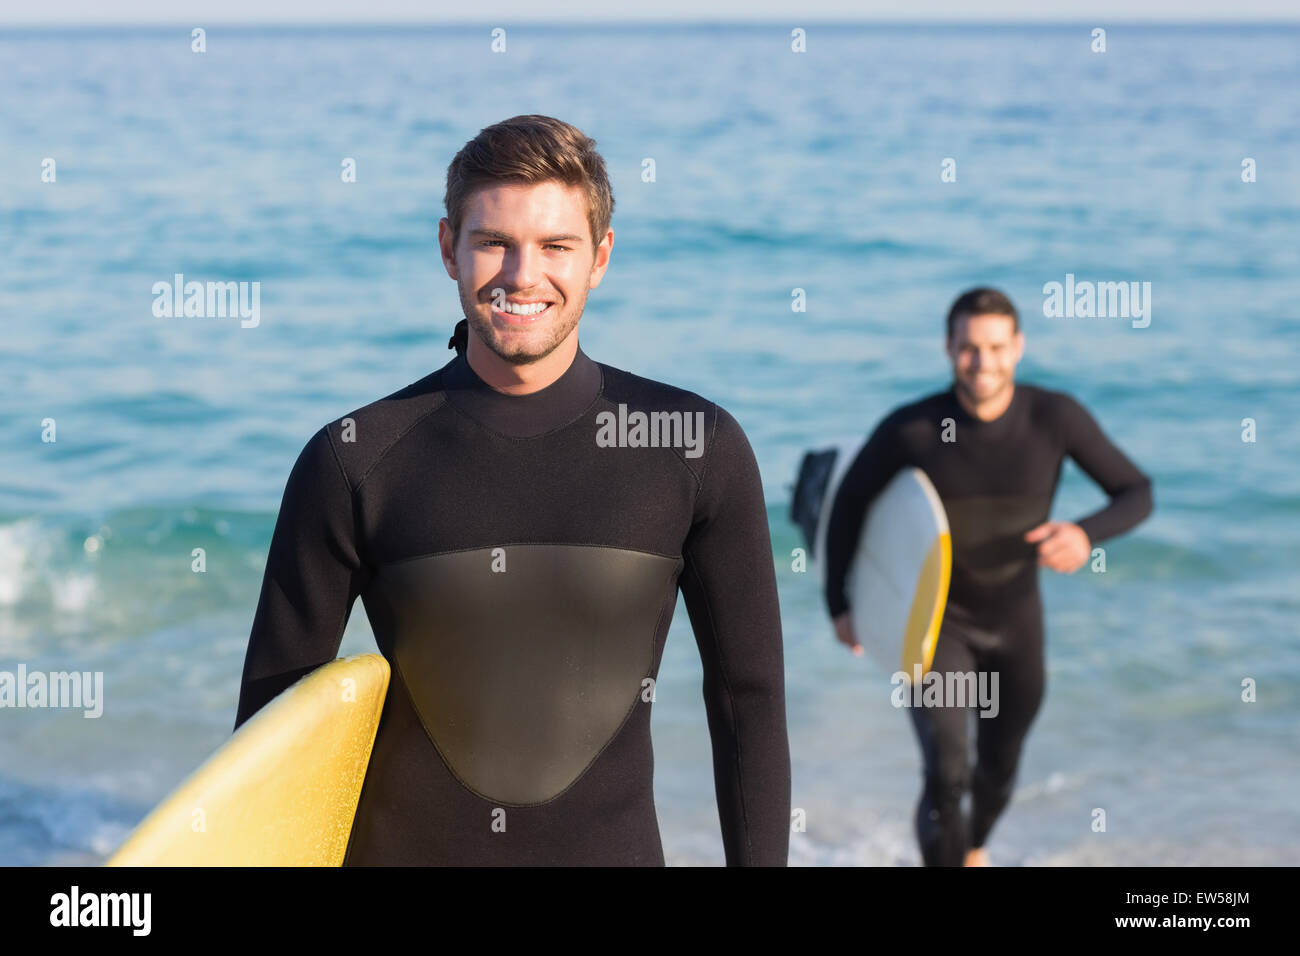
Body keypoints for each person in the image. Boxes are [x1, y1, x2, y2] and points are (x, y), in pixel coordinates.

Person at [234, 115, 790, 865]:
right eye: (494, 242)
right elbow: (269, 739)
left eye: (556, 245)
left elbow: (747, 705)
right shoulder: (355, 460)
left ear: (600, 257)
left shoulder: (692, 448)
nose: (523, 275)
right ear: (447, 249)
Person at [823, 287, 1153, 866]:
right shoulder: (915, 428)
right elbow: (847, 504)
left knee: (999, 766)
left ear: (1018, 347)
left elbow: (1137, 492)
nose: (984, 362)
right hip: (937, 623)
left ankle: (972, 849)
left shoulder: (1055, 418)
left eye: (996, 347)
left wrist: (1084, 534)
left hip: (1016, 621)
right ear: (949, 347)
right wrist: (841, 606)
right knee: (947, 771)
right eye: (970, 348)